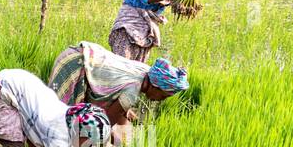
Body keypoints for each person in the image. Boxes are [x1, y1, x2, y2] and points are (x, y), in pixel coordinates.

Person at [48, 41, 190, 128]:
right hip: (74, 65)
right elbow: (103, 125)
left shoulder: (146, 71)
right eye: (163, 96)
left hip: (77, 55)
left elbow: (116, 94)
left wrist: (129, 117)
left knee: (63, 118)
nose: (161, 100)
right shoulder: (132, 92)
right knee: (55, 117)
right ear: (156, 86)